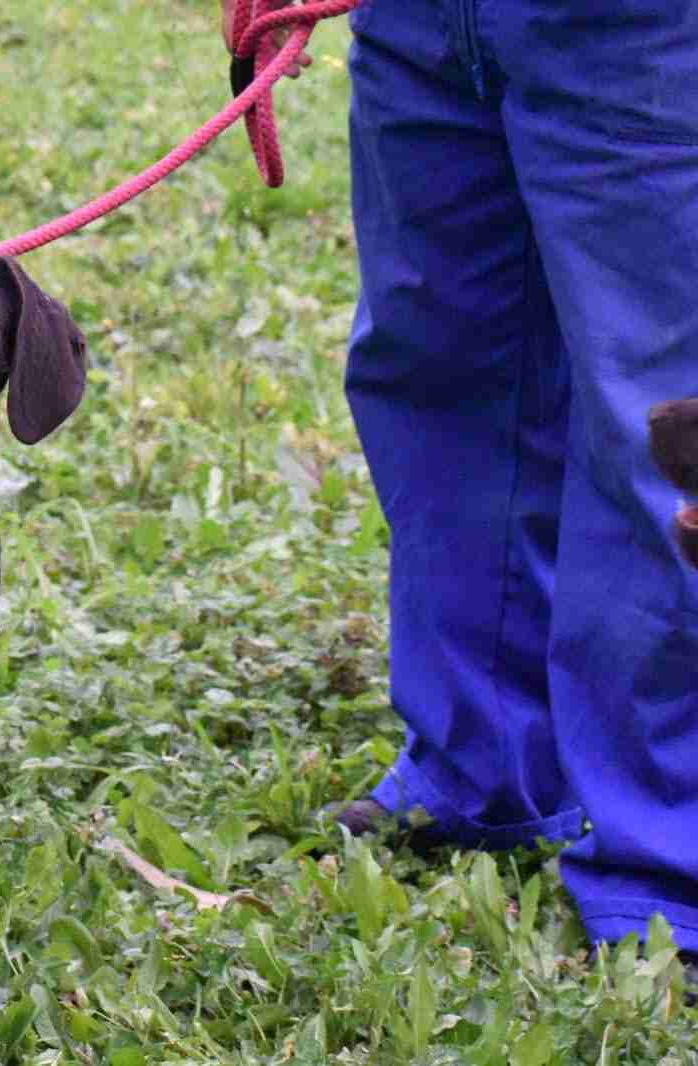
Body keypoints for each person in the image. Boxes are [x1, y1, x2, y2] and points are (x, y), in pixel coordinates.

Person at [220, 0, 698, 969]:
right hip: (416, 20)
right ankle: (486, 763)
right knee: (438, 368)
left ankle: (669, 857)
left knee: (658, 411)